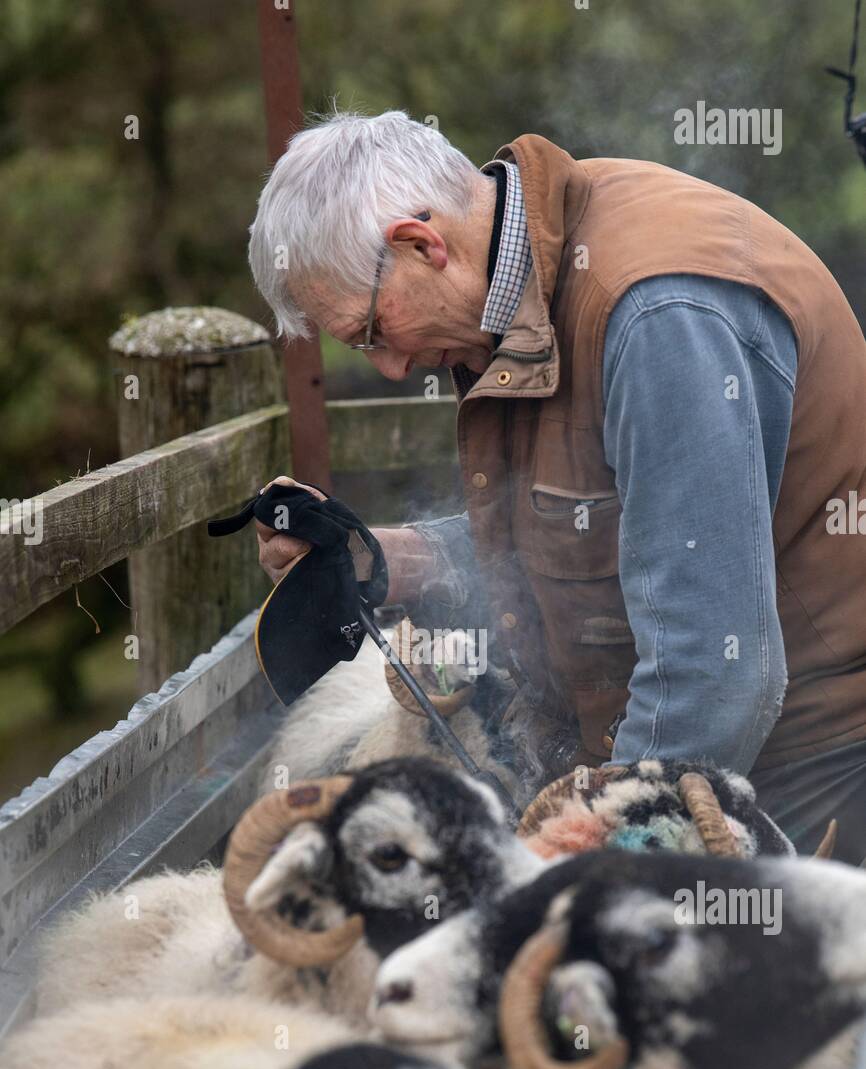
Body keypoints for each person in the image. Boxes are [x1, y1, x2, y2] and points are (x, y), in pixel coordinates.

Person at [248, 110, 866, 863]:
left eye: (371, 332)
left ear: (420, 244)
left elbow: (715, 673)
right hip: (679, 757)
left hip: (807, 773)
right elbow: (586, 529)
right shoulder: (517, 294)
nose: (390, 368)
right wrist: (386, 556)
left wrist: (585, 852)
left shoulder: (653, 312)